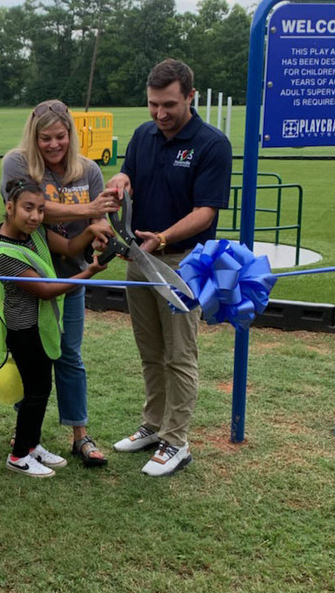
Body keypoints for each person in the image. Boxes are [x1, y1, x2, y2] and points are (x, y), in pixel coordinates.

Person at [103, 59, 232, 476]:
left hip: (183, 263)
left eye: (169, 105)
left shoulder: (212, 144)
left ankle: (177, 441)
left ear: (190, 96)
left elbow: (206, 213)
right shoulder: (143, 135)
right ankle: (153, 426)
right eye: (153, 104)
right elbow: (129, 174)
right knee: (150, 351)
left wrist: (161, 239)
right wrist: (121, 181)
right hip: (138, 258)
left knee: (179, 354)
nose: (160, 114)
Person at [0, 99, 111, 467]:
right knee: (31, 357)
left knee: (69, 355)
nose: (53, 145)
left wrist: (99, 233)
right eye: (44, 138)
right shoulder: (16, 163)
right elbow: (34, 207)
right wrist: (90, 211)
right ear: (33, 137)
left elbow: (98, 224)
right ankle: (25, 436)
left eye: (60, 137)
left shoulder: (89, 170)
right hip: (30, 274)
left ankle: (80, 434)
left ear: (71, 135)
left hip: (72, 271)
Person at [0, 180, 109, 478]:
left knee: (41, 390)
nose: (35, 216)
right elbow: (44, 289)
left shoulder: (36, 233)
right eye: (28, 208)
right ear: (9, 207)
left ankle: (31, 445)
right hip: (24, 331)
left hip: (42, 329)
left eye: (41, 210)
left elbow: (68, 247)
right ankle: (18, 456)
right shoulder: (4, 253)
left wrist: (91, 231)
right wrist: (88, 273)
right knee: (35, 392)